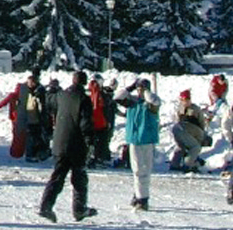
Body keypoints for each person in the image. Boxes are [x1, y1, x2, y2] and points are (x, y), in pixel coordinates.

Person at [38, 69, 96, 222]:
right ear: (84, 83)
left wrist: (51, 88)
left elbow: (48, 102)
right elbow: (85, 124)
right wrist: (90, 141)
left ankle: (46, 206)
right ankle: (79, 209)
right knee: (79, 178)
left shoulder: (61, 95)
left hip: (59, 143)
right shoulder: (84, 99)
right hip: (76, 145)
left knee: (57, 176)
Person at [114, 77, 161, 211]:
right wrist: (131, 87)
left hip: (147, 140)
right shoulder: (132, 102)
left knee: (145, 170)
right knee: (138, 170)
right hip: (134, 140)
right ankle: (141, 197)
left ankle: (141, 195)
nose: (140, 92)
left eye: (142, 89)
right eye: (139, 89)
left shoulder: (150, 104)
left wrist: (146, 91)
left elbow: (154, 101)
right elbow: (117, 97)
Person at [171, 89, 211, 171]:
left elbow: (201, 123)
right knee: (195, 147)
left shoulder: (195, 109)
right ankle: (187, 165)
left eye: (187, 100)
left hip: (190, 131)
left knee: (183, 146)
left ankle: (176, 164)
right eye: (183, 100)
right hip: (183, 130)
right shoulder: (180, 109)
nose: (185, 102)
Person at [19, 70, 51, 162]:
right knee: (32, 137)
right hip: (32, 118)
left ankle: (37, 153)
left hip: (36, 118)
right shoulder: (29, 91)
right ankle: (31, 154)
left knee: (37, 137)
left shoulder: (38, 91)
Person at [87, 74, 114, 168]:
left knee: (92, 140)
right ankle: (98, 158)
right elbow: (105, 108)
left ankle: (92, 157)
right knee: (101, 141)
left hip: (91, 120)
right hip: (101, 121)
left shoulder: (89, 92)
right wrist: (108, 120)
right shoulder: (101, 94)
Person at [0, 81, 23, 158]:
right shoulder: (24, 96)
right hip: (22, 118)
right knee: (21, 135)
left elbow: (4, 102)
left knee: (15, 134)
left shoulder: (12, 95)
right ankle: (19, 151)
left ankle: (14, 151)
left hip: (14, 118)